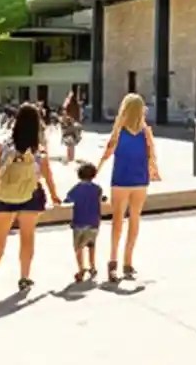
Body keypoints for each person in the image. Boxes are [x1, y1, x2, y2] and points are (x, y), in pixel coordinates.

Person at [0, 103, 61, 295]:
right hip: (31, 196)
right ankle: (24, 278)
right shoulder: (39, 150)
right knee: (27, 237)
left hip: (3, 196)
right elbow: (47, 175)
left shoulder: (2, 144)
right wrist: (55, 196)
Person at [97, 93, 161, 283]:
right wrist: (154, 171)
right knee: (135, 219)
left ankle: (113, 261)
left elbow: (107, 152)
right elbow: (151, 153)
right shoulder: (145, 131)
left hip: (121, 180)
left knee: (117, 222)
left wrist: (96, 169)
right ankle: (128, 262)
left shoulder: (119, 130)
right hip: (140, 179)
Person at [64, 162, 105, 282]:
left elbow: (69, 198)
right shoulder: (97, 189)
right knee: (91, 244)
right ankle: (92, 266)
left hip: (79, 222)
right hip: (94, 221)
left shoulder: (77, 188)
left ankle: (81, 268)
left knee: (78, 247)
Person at [60, 90, 83, 164]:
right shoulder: (76, 104)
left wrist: (64, 122)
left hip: (70, 124)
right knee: (71, 142)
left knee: (69, 141)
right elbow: (79, 115)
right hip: (74, 124)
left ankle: (70, 157)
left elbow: (64, 112)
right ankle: (71, 157)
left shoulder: (68, 103)